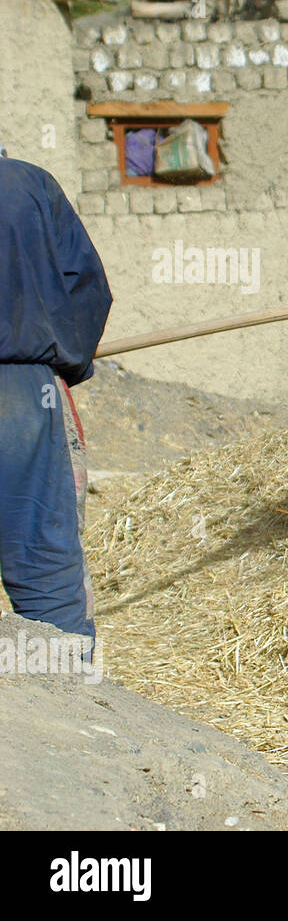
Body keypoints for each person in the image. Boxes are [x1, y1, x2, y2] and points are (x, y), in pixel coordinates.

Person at [0, 153, 113, 649]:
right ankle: (72, 716)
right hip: (25, 390)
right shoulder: (29, 185)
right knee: (44, 568)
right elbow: (88, 287)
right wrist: (64, 355)